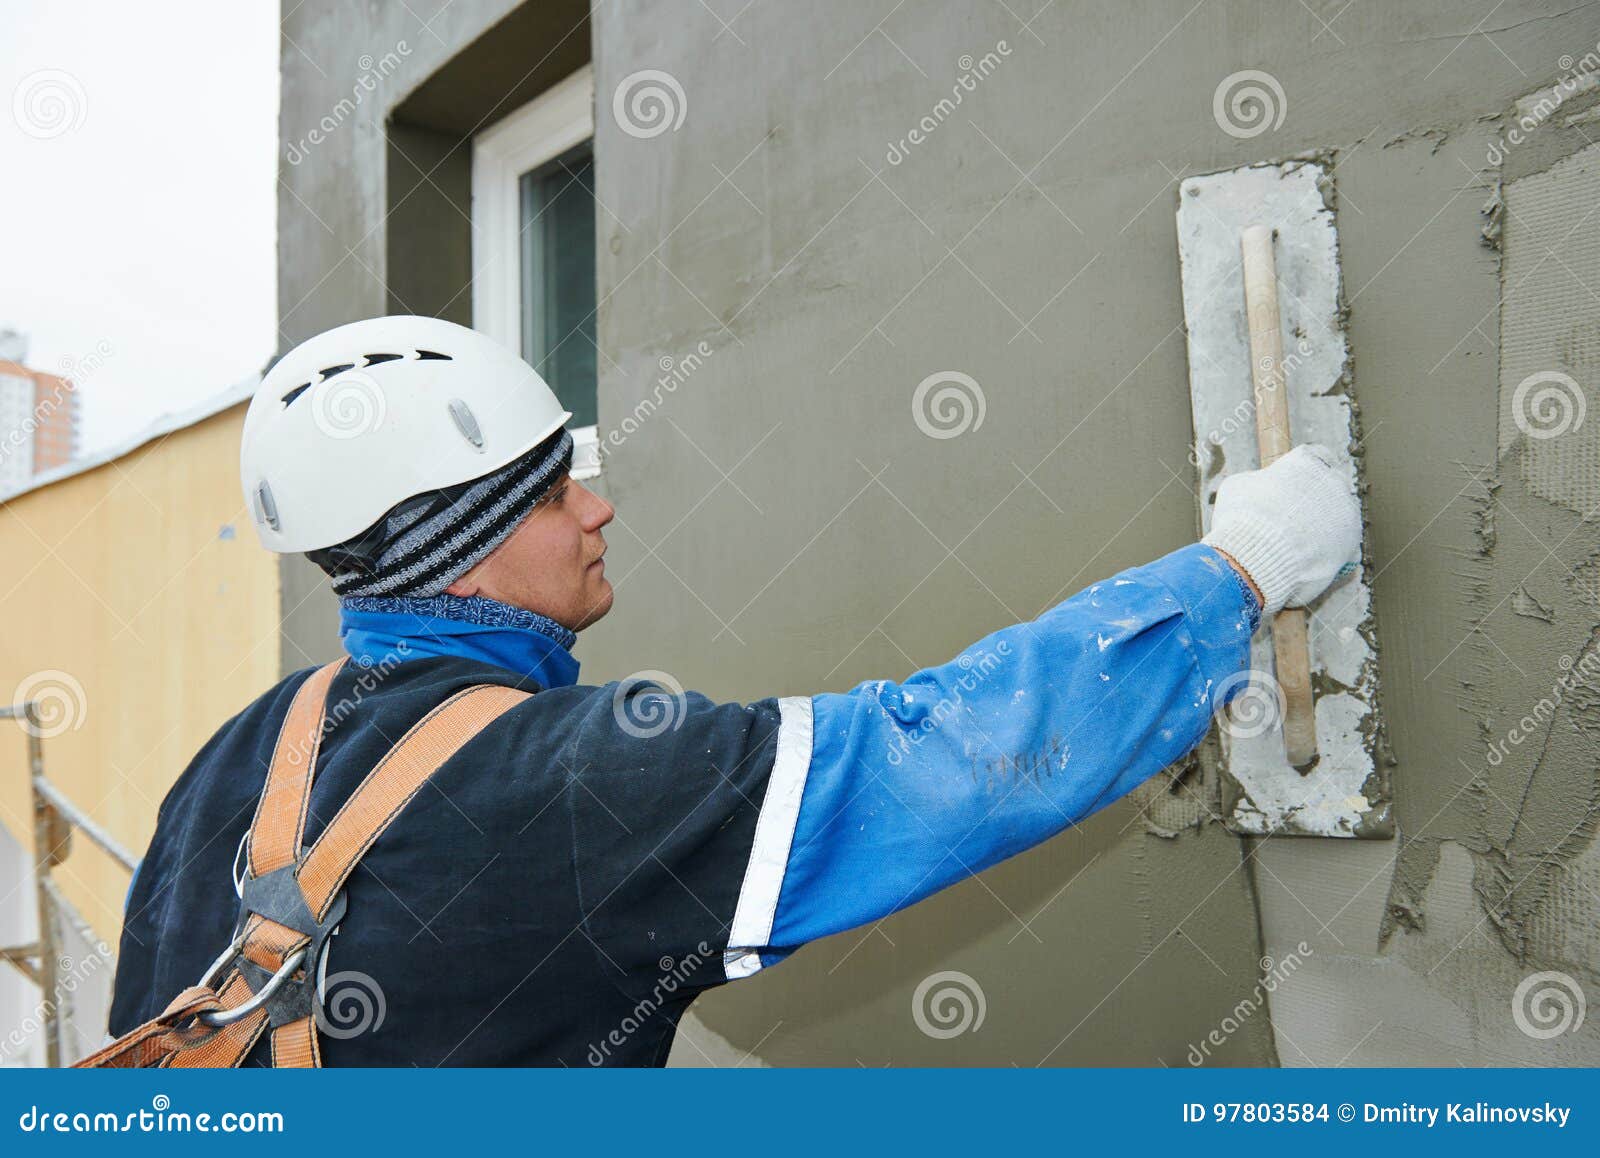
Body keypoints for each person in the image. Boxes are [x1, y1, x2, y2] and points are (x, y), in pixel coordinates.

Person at [109, 315, 1361, 1066]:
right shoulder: (581, 777)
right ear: (466, 543)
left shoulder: (229, 759)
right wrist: (1236, 573)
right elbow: (943, 760)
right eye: (552, 491)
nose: (596, 506)